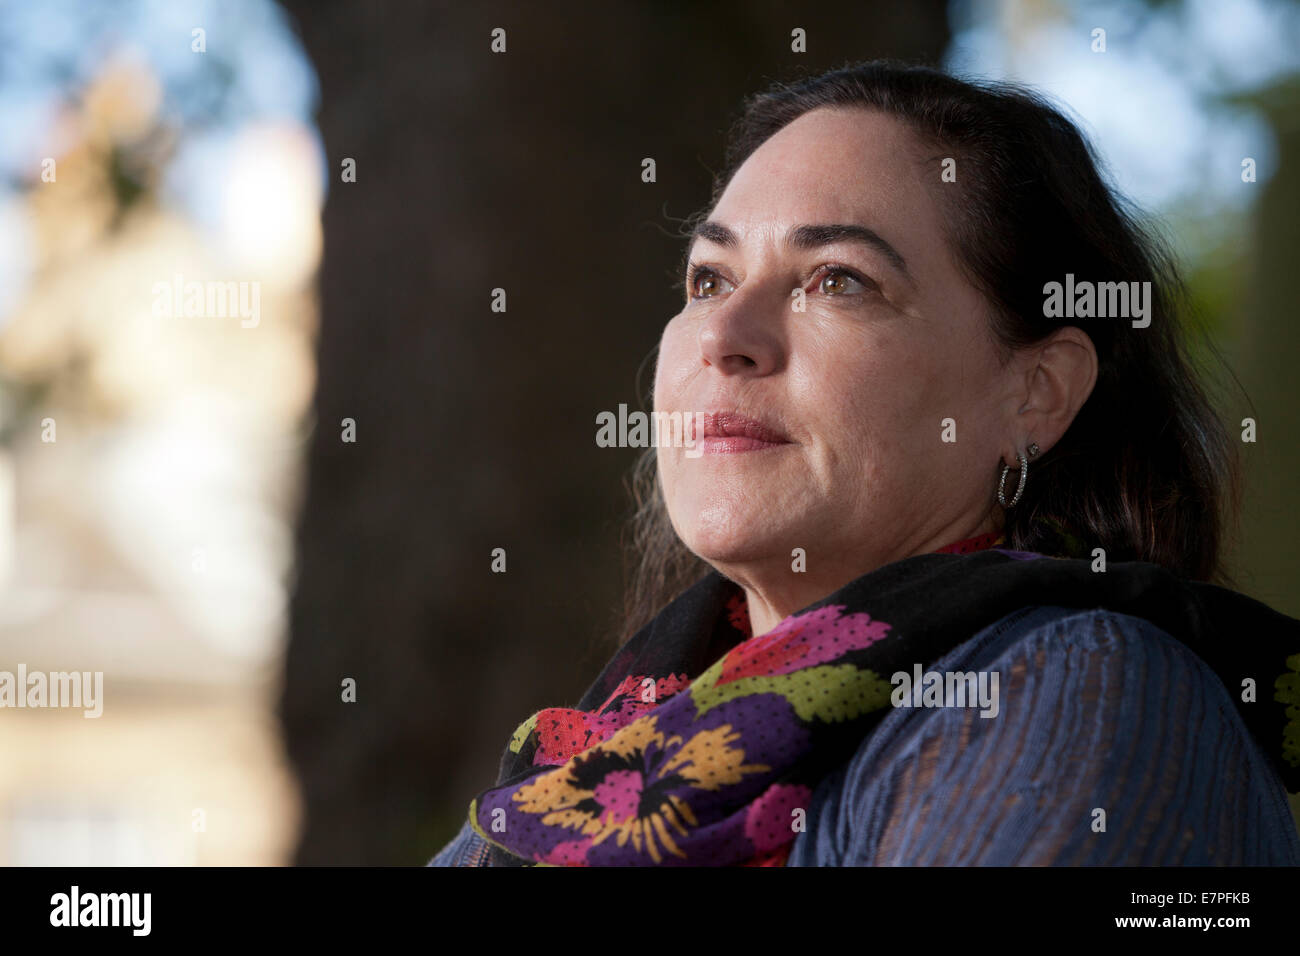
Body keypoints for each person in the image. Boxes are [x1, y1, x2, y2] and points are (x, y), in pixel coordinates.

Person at [428, 61, 1300, 866]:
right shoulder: (600, 752)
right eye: (709, 280)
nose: (727, 339)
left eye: (837, 280)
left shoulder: (1079, 685)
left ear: (1036, 392)